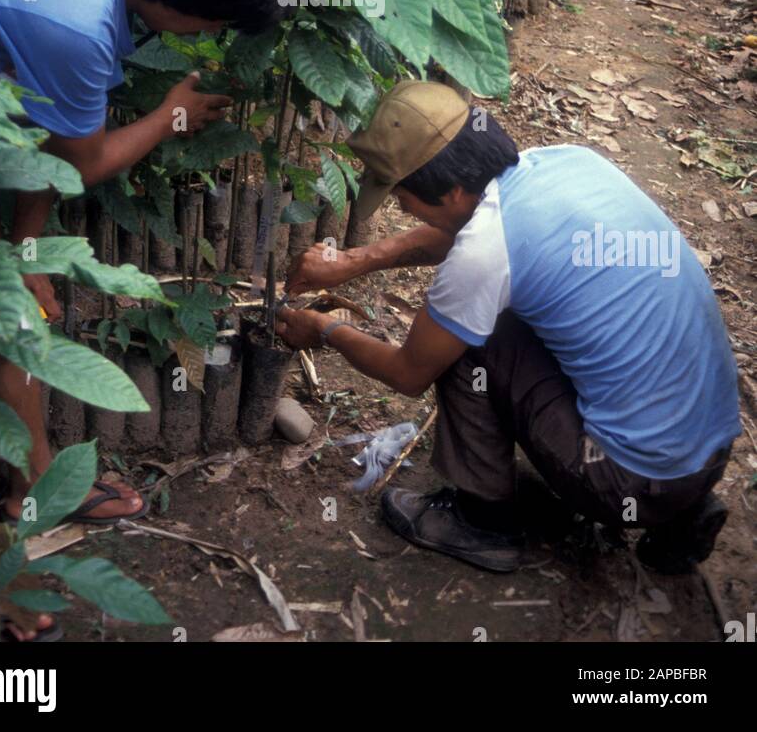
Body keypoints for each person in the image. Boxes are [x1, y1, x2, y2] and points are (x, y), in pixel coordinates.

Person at [0, 0, 298, 637]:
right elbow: (80, 162)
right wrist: (173, 116)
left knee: (14, 318)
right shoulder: (75, 18)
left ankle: (38, 490)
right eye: (215, 23)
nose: (210, 38)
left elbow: (47, 152)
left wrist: (24, 250)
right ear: (185, 0)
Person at [277, 80, 741, 575]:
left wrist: (322, 329)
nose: (402, 209)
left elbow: (409, 374)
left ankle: (481, 522)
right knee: (512, 306)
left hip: (632, 478)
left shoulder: (485, 251)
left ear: (452, 190)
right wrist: (352, 262)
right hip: (708, 449)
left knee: (469, 339)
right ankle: (682, 514)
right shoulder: (566, 163)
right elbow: (466, 231)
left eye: (404, 198)